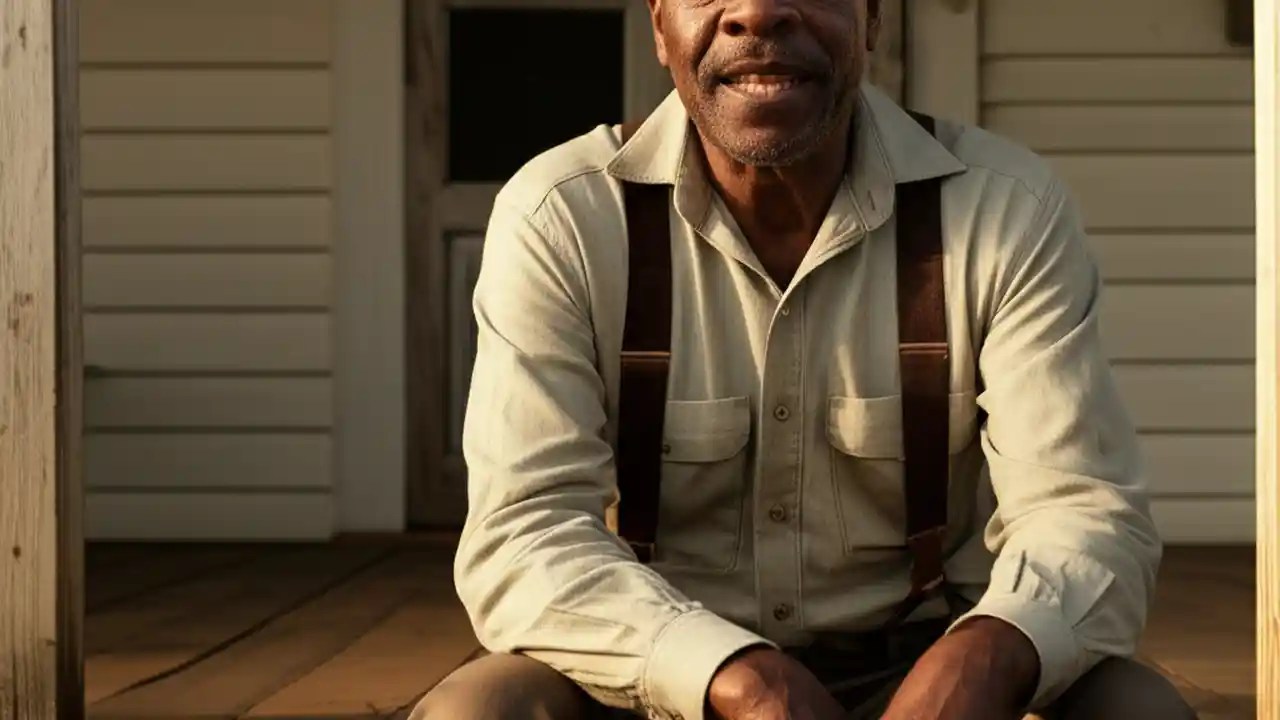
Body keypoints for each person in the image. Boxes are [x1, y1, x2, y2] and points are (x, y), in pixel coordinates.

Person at [412, 0, 1198, 718]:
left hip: (922, 674)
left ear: (873, 19)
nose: (756, 11)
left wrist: (986, 657)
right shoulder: (566, 218)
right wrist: (733, 673)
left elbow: (1086, 513)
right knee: (480, 711)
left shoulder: (1002, 209)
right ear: (659, 26)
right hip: (657, 680)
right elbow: (525, 533)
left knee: (1136, 708)